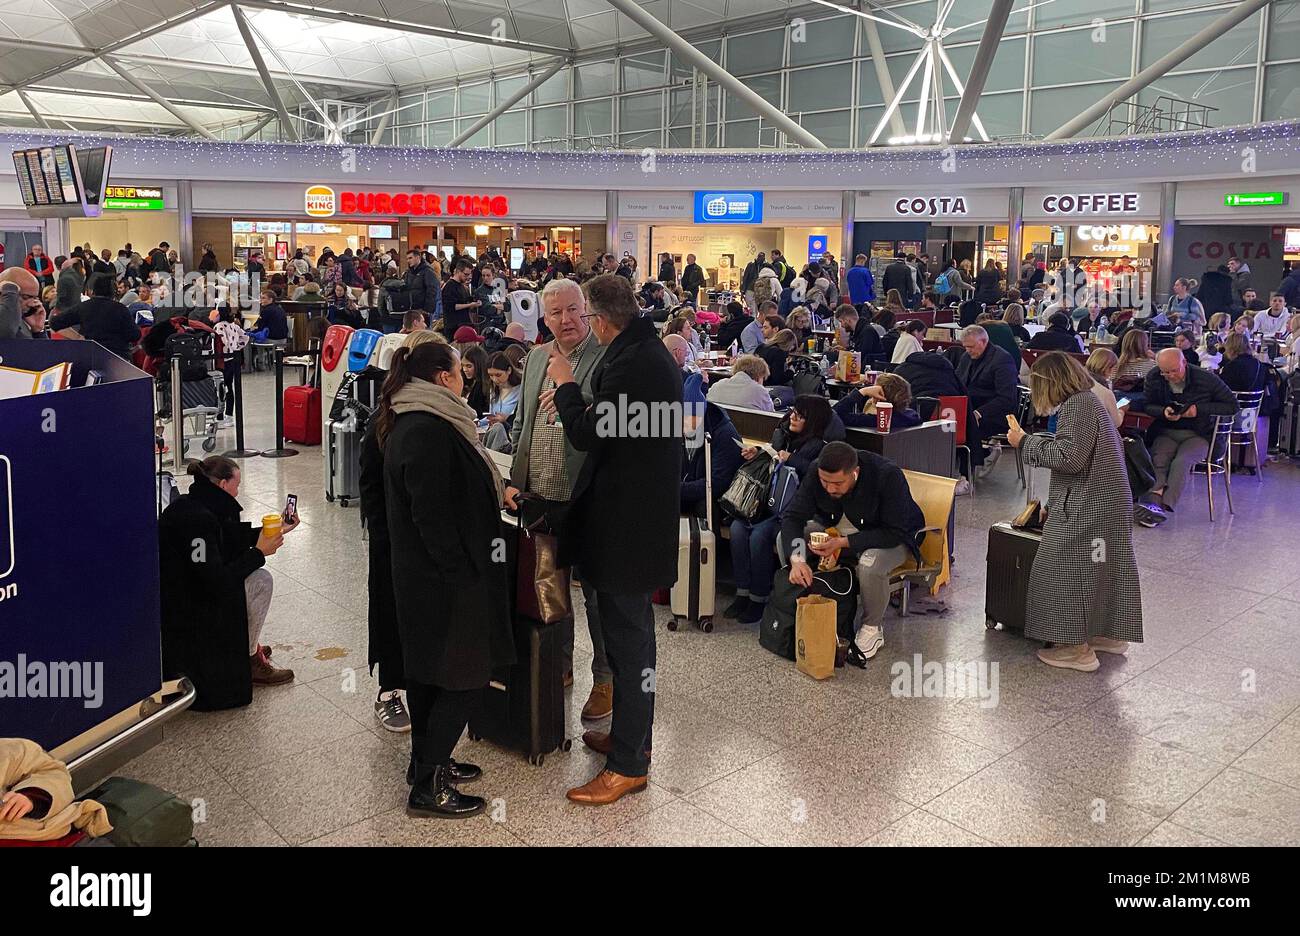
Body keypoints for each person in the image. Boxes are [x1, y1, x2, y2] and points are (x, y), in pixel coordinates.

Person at [547, 273, 681, 806]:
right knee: (631, 641)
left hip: (629, 528)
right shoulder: (645, 352)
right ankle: (632, 740)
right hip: (635, 522)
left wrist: (564, 383)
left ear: (600, 320)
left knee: (629, 645)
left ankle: (628, 765)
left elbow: (586, 431)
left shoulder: (631, 364)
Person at [374, 340, 513, 819]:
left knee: (432, 674)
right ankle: (428, 785)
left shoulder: (418, 421)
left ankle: (426, 764)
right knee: (465, 676)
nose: (465, 377)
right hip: (443, 580)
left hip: (427, 577)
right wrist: (460, 573)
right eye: (458, 371)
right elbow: (431, 514)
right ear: (441, 378)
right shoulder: (426, 430)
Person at [504, 278, 612, 717]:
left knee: (597, 594)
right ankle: (561, 665)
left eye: (572, 310)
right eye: (555, 313)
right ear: (543, 318)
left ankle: (605, 678)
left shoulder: (606, 358)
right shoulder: (535, 358)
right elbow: (522, 421)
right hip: (538, 491)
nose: (565, 320)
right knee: (550, 585)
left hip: (585, 496)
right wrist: (514, 476)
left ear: (585, 309)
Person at [1005, 353, 1143, 671]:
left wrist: (1024, 443)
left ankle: (1074, 648)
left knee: (1061, 569)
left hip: (1088, 502)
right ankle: (1105, 633)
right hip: (1108, 499)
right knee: (1102, 567)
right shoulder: (1089, 400)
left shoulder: (1077, 405)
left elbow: (1070, 458)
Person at [159, 457, 295, 711]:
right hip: (191, 613)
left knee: (257, 576)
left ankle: (248, 644)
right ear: (223, 484)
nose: (238, 491)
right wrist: (258, 553)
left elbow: (227, 540)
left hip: (188, 596)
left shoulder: (198, 505)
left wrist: (275, 532)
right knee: (261, 580)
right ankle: (250, 656)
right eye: (237, 485)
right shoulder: (197, 521)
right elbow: (216, 580)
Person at [781, 442, 925, 664]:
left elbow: (894, 532)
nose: (830, 489)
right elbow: (793, 517)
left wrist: (843, 542)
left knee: (869, 563)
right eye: (824, 482)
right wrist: (797, 559)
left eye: (838, 483)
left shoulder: (887, 475)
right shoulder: (816, 469)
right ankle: (803, 600)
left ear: (855, 473)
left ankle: (872, 627)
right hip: (840, 526)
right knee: (791, 538)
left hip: (895, 537)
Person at [728, 395, 837, 625]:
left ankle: (758, 597)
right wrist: (758, 452)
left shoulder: (820, 448)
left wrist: (792, 460)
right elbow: (771, 456)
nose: (793, 417)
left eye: (800, 415)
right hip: (766, 502)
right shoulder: (783, 436)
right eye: (793, 412)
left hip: (793, 512)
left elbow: (815, 475)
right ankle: (742, 592)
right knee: (737, 528)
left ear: (813, 420)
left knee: (759, 535)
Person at [1138, 348, 1238, 524]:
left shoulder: (1206, 378)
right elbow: (1147, 405)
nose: (1170, 376)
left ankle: (1162, 505)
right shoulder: (1154, 377)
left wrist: (1198, 410)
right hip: (1167, 430)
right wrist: (1163, 411)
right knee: (1159, 459)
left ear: (1184, 363)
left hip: (1199, 434)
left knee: (1182, 462)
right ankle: (1154, 506)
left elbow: (1232, 406)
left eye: (1174, 371)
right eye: (1165, 372)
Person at [955, 325, 1019, 474]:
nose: (967, 350)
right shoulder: (966, 357)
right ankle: (981, 455)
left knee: (968, 427)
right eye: (965, 347)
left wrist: (979, 413)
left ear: (983, 342)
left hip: (997, 414)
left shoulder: (1002, 359)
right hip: (970, 409)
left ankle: (966, 475)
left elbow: (1006, 398)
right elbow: (958, 382)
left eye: (971, 346)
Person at [679, 373, 742, 517]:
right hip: (686, 490)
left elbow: (718, 483)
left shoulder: (724, 433)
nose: (686, 424)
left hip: (715, 497)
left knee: (704, 507)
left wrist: (677, 489)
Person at [49, 272, 139, 359]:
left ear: (93, 291)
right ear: (112, 291)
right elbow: (134, 335)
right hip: (118, 357)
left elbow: (54, 323)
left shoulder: (83, 307)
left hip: (91, 356)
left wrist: (78, 336)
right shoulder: (120, 309)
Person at [834, 371, 921, 431]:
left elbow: (834, 415)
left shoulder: (874, 421)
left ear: (878, 397)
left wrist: (862, 391)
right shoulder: (913, 416)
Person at [482, 351, 522, 453]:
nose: (494, 379)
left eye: (498, 375)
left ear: (509, 370)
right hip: (493, 434)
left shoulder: (521, 390)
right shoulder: (493, 389)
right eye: (491, 375)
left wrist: (506, 419)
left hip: (511, 437)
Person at [706, 354, 775, 411]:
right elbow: (771, 416)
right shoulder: (759, 391)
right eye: (763, 378)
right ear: (758, 376)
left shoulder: (717, 385)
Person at [0, 267, 45, 339]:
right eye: (25, 297)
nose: (31, 304)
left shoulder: (22, 323)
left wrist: (38, 331)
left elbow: (43, 350)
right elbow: (6, 332)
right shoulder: (7, 322)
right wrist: (10, 289)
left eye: (34, 298)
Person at [1084, 348, 1123, 427]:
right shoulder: (1105, 392)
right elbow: (1116, 423)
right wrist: (1121, 411)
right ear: (1108, 368)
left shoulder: (1075, 381)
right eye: (1114, 368)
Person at [403, 249, 441, 325]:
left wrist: (427, 310)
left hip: (422, 310)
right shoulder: (409, 272)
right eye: (407, 259)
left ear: (418, 257)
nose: (408, 261)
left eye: (410, 258)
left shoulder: (428, 271)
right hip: (411, 308)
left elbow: (432, 290)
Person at [459, 341, 491, 417]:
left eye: (469, 366)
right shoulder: (466, 383)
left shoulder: (484, 387)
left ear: (478, 365)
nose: (464, 369)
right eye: (463, 366)